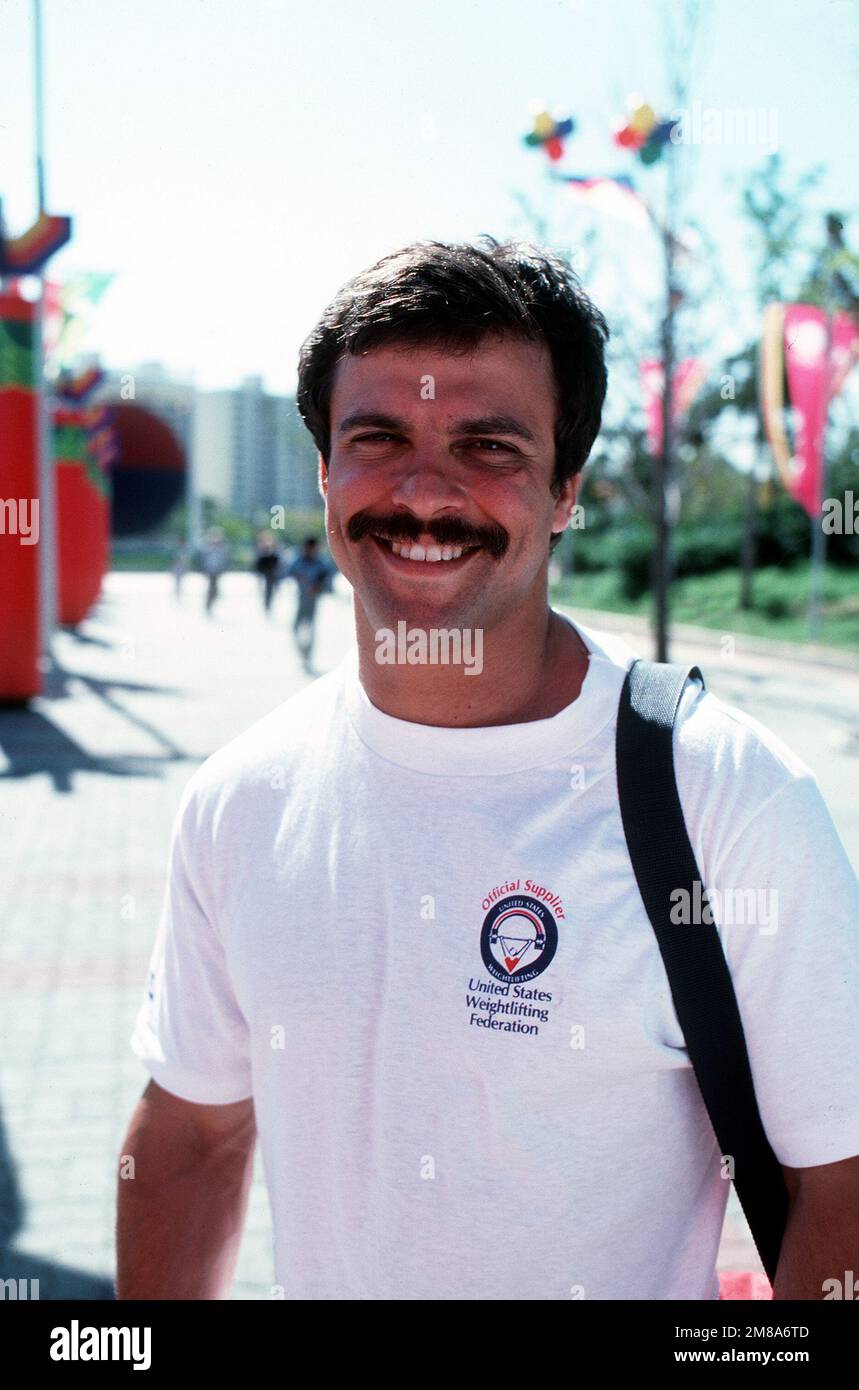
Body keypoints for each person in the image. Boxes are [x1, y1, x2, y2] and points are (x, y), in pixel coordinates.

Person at [119, 237, 859, 1301]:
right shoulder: (242, 797)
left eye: (488, 446)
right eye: (377, 436)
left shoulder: (721, 794)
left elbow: (839, 1187)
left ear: (564, 491)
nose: (425, 490)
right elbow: (189, 1132)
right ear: (324, 474)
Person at [285, 535, 333, 667]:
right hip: (301, 598)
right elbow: (288, 573)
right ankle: (302, 651)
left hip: (312, 600)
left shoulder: (321, 563)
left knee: (310, 628)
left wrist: (319, 587)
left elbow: (328, 581)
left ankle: (308, 654)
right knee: (295, 627)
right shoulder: (298, 560)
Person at [199, 527, 230, 616]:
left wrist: (223, 569)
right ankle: (208, 606)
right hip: (210, 571)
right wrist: (203, 570)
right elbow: (202, 560)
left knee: (214, 590)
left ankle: (209, 604)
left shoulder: (223, 549)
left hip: (217, 571)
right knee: (212, 589)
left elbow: (225, 560)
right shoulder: (207, 548)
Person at [253, 529, 281, 615]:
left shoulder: (274, 549)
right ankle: (266, 605)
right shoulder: (261, 549)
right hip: (265, 572)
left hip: (272, 572)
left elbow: (277, 560)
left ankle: (268, 605)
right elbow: (259, 562)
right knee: (266, 590)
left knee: (269, 590)